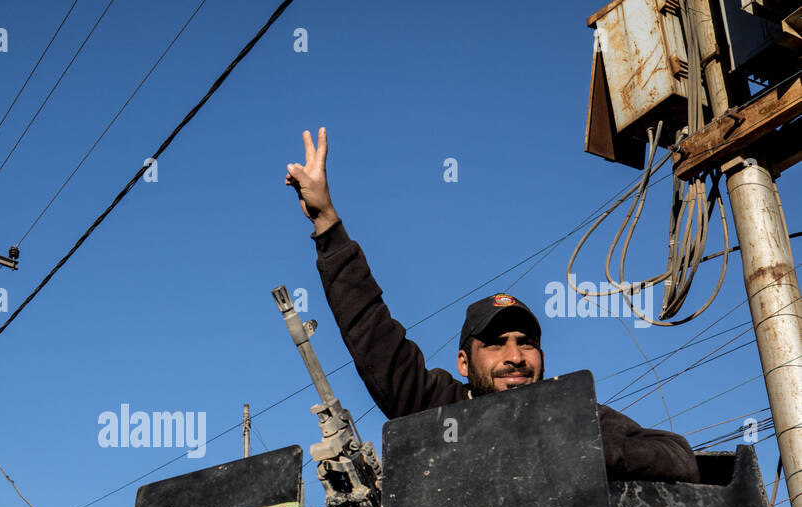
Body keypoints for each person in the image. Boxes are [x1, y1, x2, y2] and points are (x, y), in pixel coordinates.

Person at [284, 127, 699, 484]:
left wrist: (574, 445)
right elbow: (372, 334)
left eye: (526, 343)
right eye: (496, 343)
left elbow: (678, 456)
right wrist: (327, 223)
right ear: (465, 362)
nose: (514, 356)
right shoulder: (437, 406)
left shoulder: (573, 416)